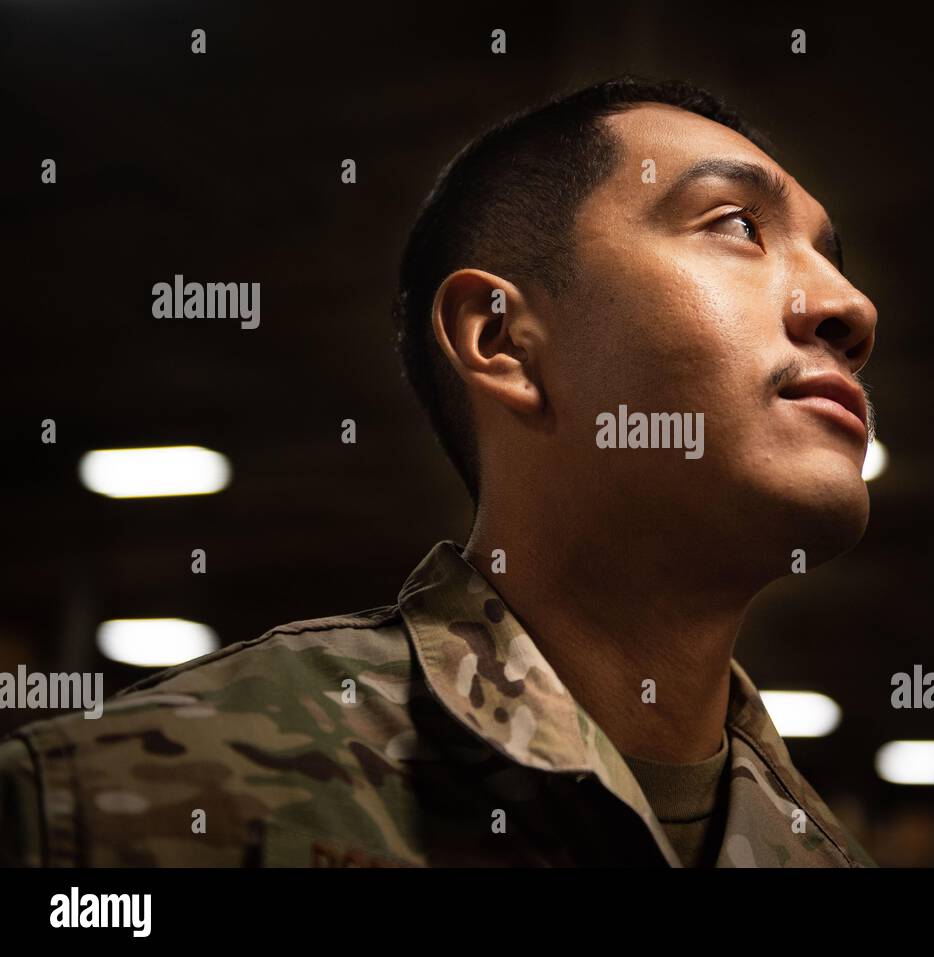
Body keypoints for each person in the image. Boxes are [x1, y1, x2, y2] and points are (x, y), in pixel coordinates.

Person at [0, 75, 878, 867]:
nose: (850, 308)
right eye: (736, 226)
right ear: (501, 340)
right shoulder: (113, 810)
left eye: (831, 258)